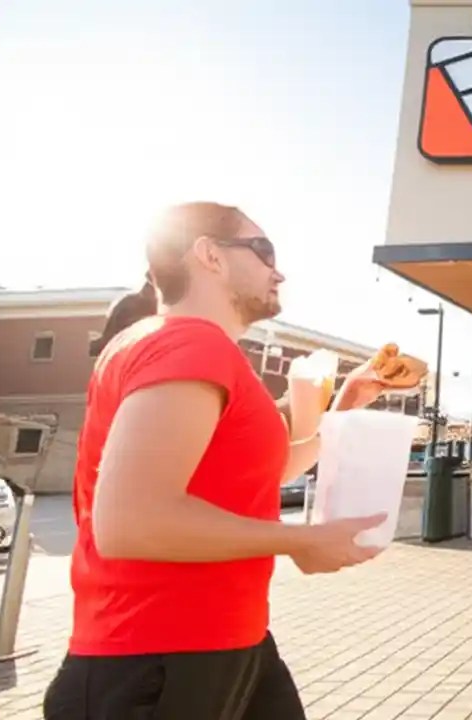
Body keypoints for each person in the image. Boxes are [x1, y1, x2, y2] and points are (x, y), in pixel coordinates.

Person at [43, 202, 400, 720]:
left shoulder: (195, 349)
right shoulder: (188, 344)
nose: (278, 270)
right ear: (208, 254)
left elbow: (256, 478)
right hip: (154, 666)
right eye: (263, 250)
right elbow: (130, 522)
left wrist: (343, 405)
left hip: (229, 645)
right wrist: (299, 540)